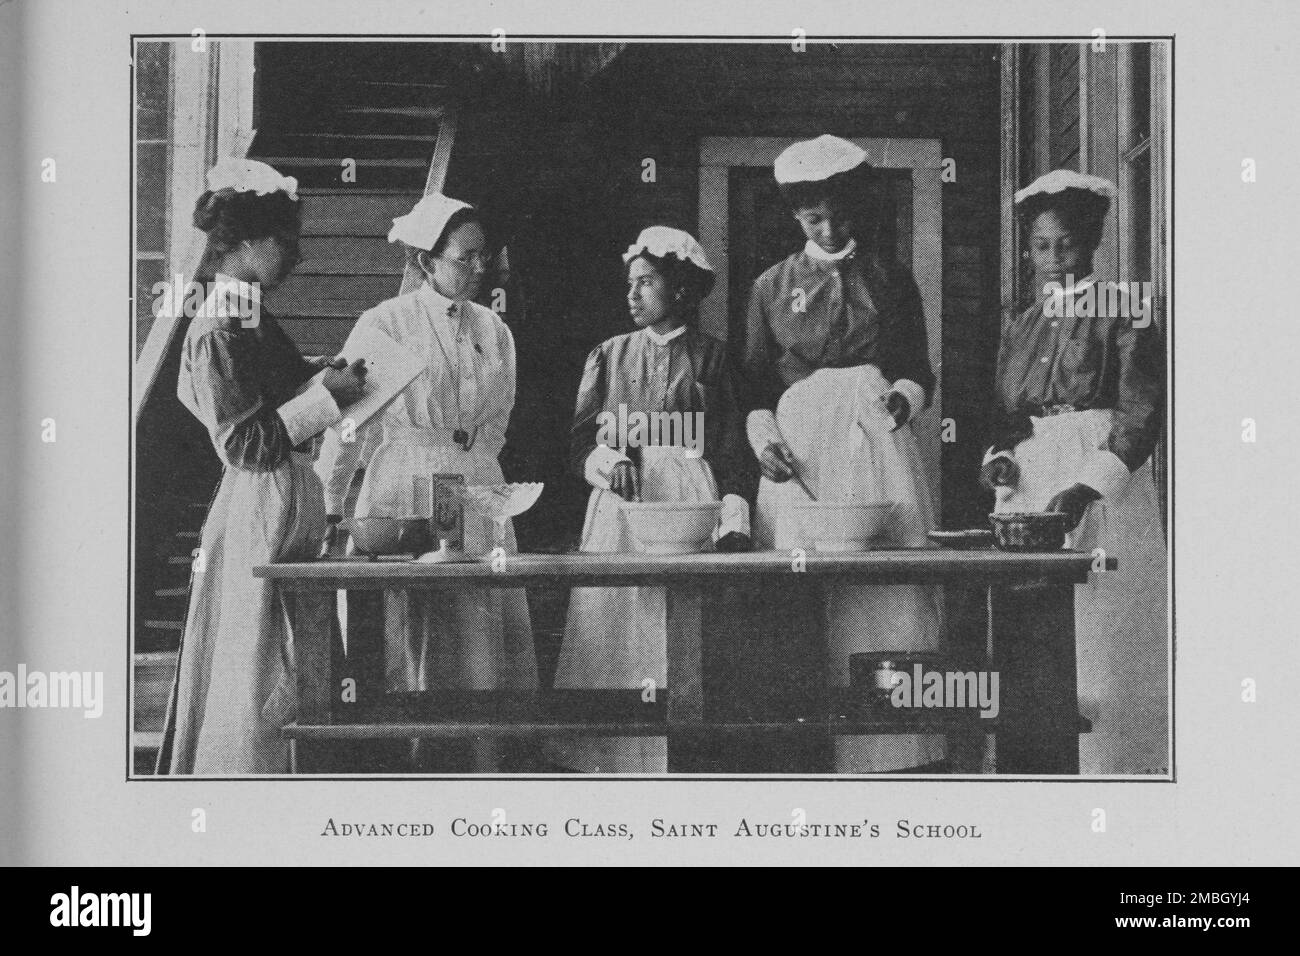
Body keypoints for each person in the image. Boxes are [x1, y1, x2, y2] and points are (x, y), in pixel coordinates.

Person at [741, 134, 945, 773]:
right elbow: (751, 386)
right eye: (813, 218)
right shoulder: (771, 286)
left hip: (877, 441)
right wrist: (764, 441)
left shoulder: (890, 276)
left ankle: (891, 749)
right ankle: (800, 749)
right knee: (799, 584)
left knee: (885, 576)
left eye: (839, 213)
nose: (829, 228)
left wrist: (903, 402)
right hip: (799, 446)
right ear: (796, 217)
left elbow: (917, 368)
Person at [158, 159, 367, 774]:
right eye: (286, 242)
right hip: (259, 498)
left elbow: (272, 394)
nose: (295, 256)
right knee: (257, 648)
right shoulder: (221, 321)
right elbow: (247, 441)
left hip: (285, 492)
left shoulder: (246, 312)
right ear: (247, 243)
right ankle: (248, 770)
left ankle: (294, 767)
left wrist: (316, 376)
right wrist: (327, 397)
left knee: (288, 640)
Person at [315, 193, 536, 770]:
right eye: (465, 258)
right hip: (405, 481)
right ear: (426, 261)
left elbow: (499, 421)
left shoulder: (496, 329)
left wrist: (481, 472)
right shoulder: (382, 324)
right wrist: (329, 506)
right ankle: (415, 758)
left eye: (483, 257)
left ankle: (486, 758)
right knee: (413, 627)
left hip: (476, 482)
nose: (477, 269)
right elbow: (348, 425)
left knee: (480, 627)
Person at [982, 169, 1167, 774]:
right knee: (1035, 632)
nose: (1054, 260)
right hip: (1034, 482)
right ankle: (1039, 768)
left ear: (1091, 244)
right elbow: (1007, 415)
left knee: (1100, 628)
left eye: (1066, 245)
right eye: (1041, 247)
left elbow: (1141, 413)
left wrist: (1088, 488)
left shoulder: (1126, 308)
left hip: (1097, 473)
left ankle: (1113, 768)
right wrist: (1001, 462)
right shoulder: (1024, 321)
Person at [547, 227, 753, 773]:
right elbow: (580, 443)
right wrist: (607, 462)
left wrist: (733, 518)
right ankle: (608, 758)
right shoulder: (608, 357)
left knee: (679, 621)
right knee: (617, 620)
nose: (632, 295)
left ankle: (682, 758)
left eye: (646, 282)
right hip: (621, 506)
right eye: (630, 284)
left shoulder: (714, 359)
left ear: (681, 288)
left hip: (689, 498)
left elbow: (732, 451)